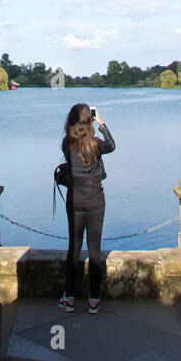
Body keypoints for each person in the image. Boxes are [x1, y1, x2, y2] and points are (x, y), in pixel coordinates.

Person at [58, 102, 115, 314]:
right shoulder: (95, 144)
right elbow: (112, 145)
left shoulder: (67, 143)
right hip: (95, 199)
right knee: (94, 249)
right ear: (88, 119)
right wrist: (100, 123)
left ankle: (70, 297)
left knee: (74, 247)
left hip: (75, 199)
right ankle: (94, 299)